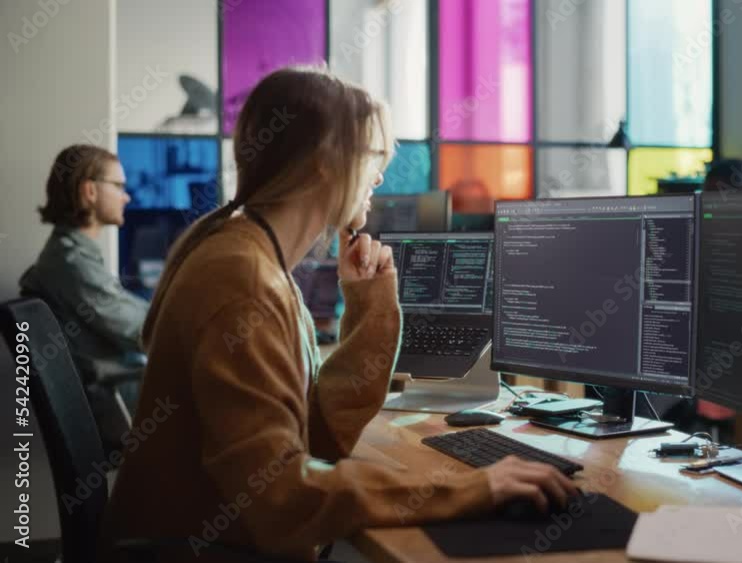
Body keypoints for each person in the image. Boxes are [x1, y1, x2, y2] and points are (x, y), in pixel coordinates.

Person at [99, 67, 576, 562]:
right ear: (325, 164)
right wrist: (465, 490)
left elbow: (318, 432)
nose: (381, 174)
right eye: (372, 156)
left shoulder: (252, 254)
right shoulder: (242, 280)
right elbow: (279, 496)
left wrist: (369, 302)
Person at [20, 145, 148, 382]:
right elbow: (143, 332)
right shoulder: (72, 263)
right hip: (114, 398)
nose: (126, 196)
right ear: (90, 191)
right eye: (118, 186)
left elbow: (130, 314)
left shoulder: (72, 255)